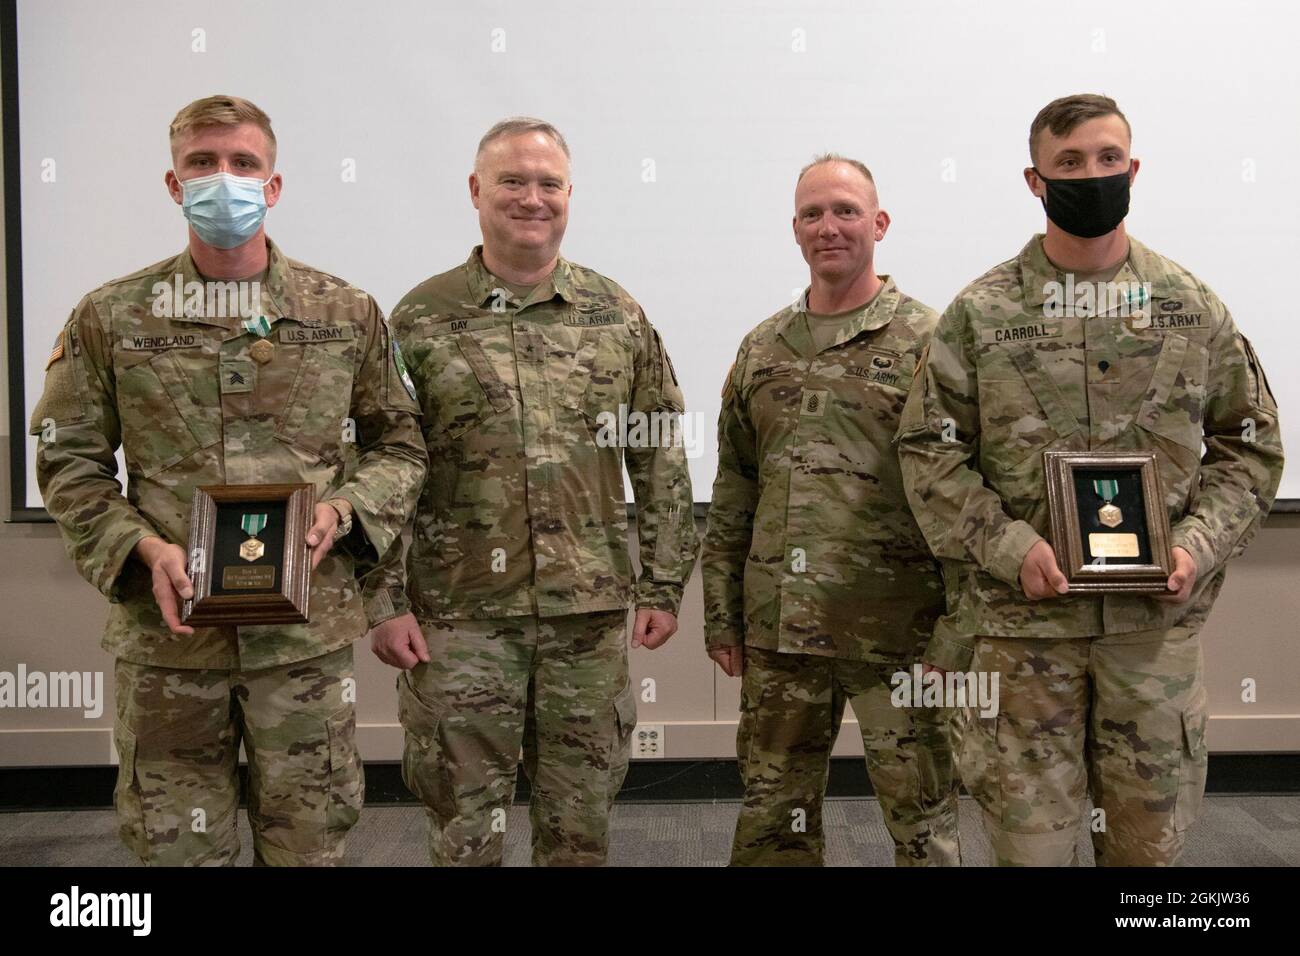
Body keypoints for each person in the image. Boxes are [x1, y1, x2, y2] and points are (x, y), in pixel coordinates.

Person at [29, 94, 427, 865]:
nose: (224, 179)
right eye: (202, 164)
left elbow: (402, 445)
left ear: (273, 185)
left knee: (309, 847)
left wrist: (345, 510)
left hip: (303, 644)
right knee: (175, 849)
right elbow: (66, 458)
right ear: (174, 185)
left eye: (243, 164)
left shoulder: (344, 312)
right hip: (169, 644)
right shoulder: (111, 317)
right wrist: (140, 548)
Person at [897, 93, 1284, 866]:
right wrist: (1010, 547)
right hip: (1022, 638)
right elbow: (929, 453)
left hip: (1150, 639)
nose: (1091, 175)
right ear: (1036, 181)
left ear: (1133, 169)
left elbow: (1249, 446)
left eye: (1108, 159)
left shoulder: (1190, 307)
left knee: (1146, 853)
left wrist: (1197, 547)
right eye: (1069, 163)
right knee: (1028, 850)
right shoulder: (981, 315)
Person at [366, 117, 697, 866]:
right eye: (512, 180)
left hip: (585, 617)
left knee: (579, 828)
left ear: (570, 195)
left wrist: (665, 584)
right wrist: (384, 604)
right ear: (476, 190)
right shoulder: (420, 319)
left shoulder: (616, 314)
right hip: (459, 622)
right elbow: (383, 467)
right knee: (463, 828)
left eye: (548, 183)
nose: (531, 198)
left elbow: (659, 458)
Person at [702, 155, 961, 866]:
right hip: (782, 632)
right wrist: (722, 614)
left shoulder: (930, 343)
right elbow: (735, 489)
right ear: (795, 230)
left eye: (846, 210)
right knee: (771, 825)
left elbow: (967, 494)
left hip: (900, 633)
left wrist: (958, 629)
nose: (829, 227)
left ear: (878, 223)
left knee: (924, 824)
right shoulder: (762, 349)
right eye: (813, 214)